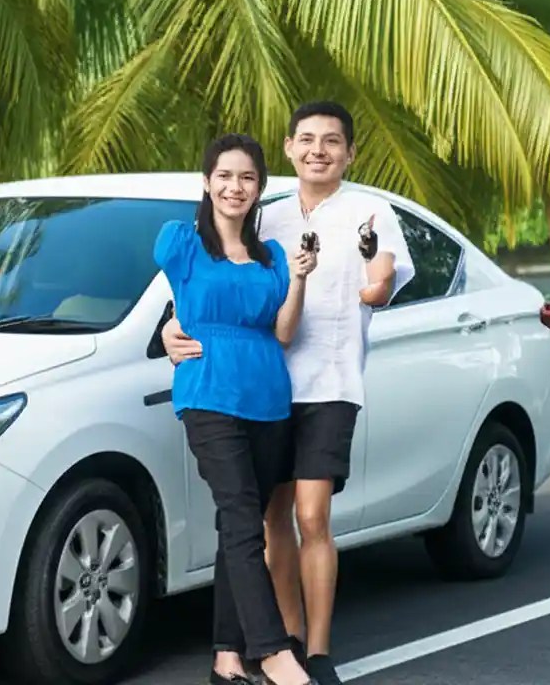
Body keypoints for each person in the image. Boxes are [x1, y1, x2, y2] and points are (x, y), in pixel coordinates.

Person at [162, 102, 415, 685]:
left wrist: (373, 289)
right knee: (269, 517)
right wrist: (171, 328)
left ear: (350, 153)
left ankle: (319, 653)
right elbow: (214, 285)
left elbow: (381, 276)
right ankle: (288, 640)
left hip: (329, 383)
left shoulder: (369, 211)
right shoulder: (266, 220)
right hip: (265, 390)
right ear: (288, 148)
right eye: (307, 139)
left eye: (332, 141)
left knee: (311, 514)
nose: (318, 150)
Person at [154, 133, 320, 685]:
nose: (235, 186)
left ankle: (227, 657)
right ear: (207, 181)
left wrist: (297, 281)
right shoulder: (180, 242)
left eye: (247, 178)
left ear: (259, 189)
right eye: (224, 175)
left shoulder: (272, 258)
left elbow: (284, 329)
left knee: (238, 523)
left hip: (268, 398)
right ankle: (272, 652)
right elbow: (173, 306)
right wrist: (168, 329)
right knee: (245, 518)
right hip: (207, 394)